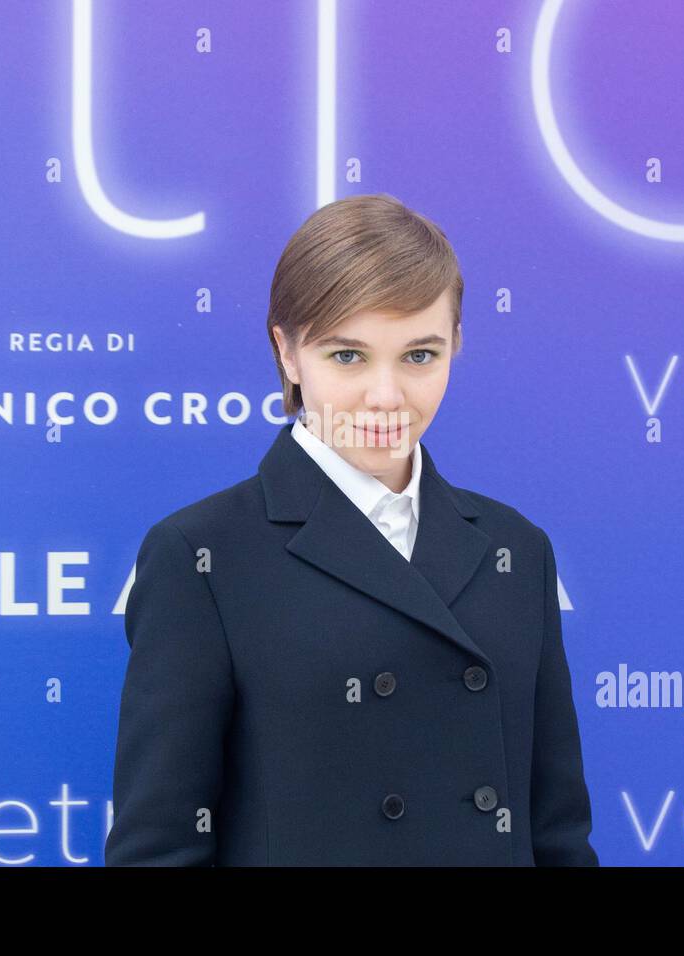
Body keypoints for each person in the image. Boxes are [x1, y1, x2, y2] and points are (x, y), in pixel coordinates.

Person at [105, 193, 598, 866]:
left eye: (419, 355)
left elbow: (558, 836)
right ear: (287, 352)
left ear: (456, 345)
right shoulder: (202, 556)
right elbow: (160, 849)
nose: (387, 396)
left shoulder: (517, 550)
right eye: (347, 356)